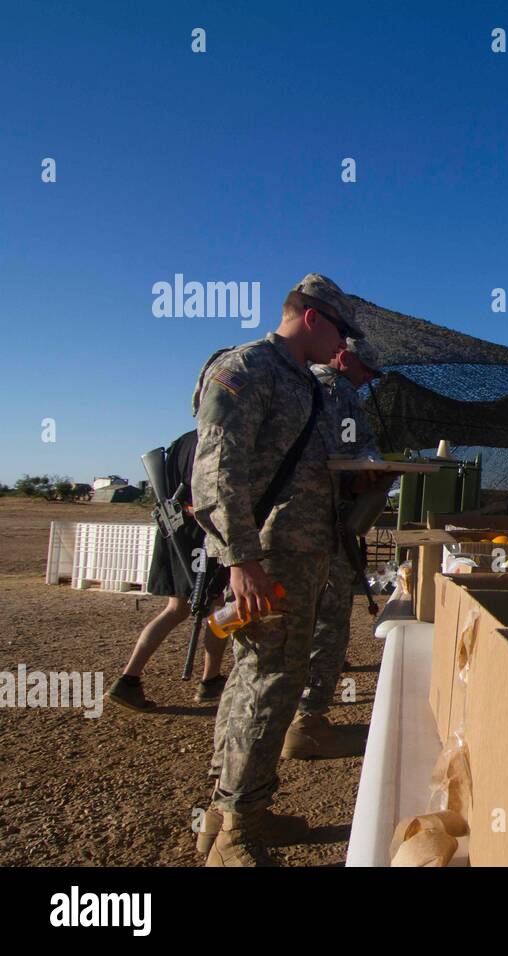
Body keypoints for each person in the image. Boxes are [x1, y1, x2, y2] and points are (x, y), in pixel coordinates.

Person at [190, 273, 369, 866]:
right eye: (340, 329)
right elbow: (215, 471)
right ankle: (238, 832)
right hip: (266, 559)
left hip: (297, 554)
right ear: (313, 317)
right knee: (268, 682)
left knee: (259, 681)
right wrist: (241, 560)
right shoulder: (248, 368)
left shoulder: (301, 380)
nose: (343, 344)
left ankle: (231, 811)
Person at [281, 337, 385, 760]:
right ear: (345, 358)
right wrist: (373, 471)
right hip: (329, 526)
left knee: (287, 624)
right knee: (329, 621)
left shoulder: (293, 384)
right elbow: (357, 453)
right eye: (365, 371)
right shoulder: (337, 392)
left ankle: (284, 716)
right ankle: (309, 722)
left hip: (286, 530)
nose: (366, 382)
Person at [106, 429, 227, 712]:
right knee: (216, 608)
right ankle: (210, 681)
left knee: (179, 608)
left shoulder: (182, 442)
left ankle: (130, 678)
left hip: (174, 530)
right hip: (201, 531)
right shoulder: (216, 434)